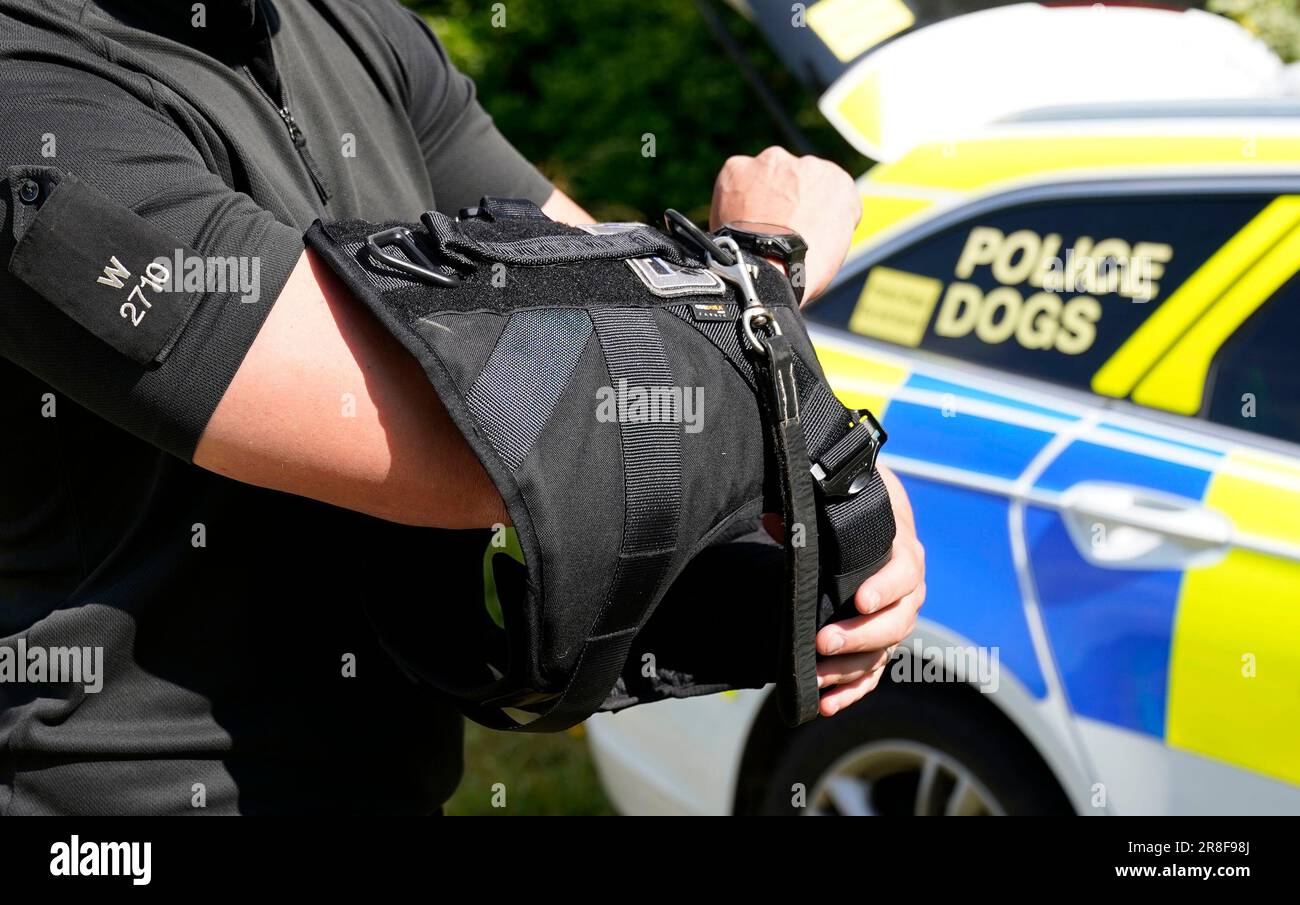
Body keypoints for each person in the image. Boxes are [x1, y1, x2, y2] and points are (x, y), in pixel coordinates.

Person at [0, 0, 925, 815]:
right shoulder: (29, 91)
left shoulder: (351, 25)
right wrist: (758, 270)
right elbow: (489, 444)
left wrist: (824, 503)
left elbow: (602, 315)